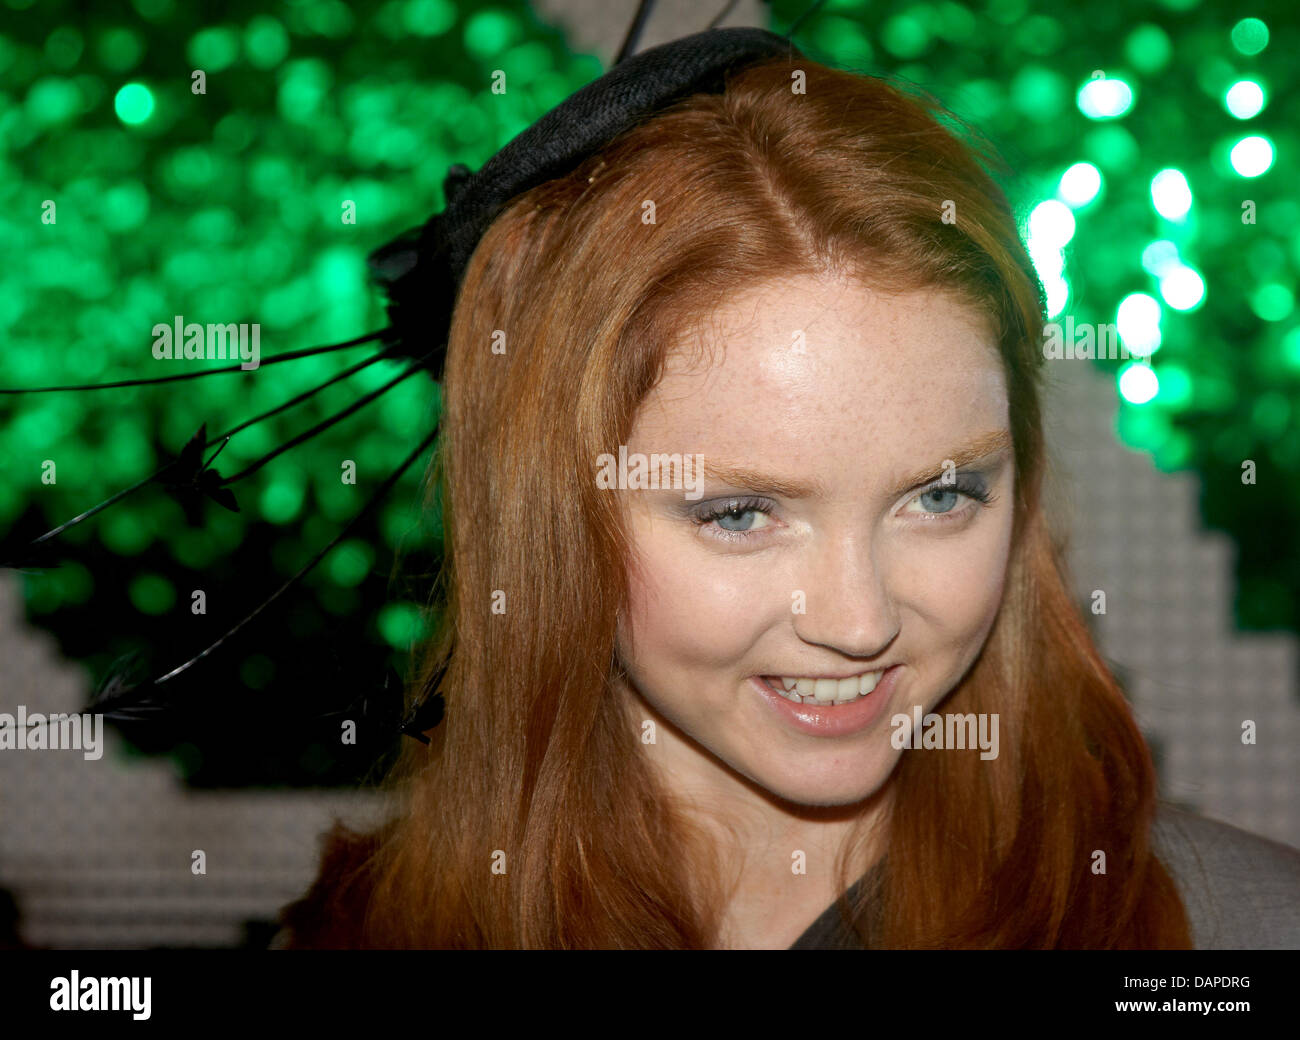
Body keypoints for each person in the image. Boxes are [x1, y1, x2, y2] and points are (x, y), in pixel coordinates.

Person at [273, 53, 1300, 950]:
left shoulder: (1236, 930)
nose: (859, 620)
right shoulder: (360, 935)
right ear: (551, 512)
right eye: (739, 514)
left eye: (941, 494)